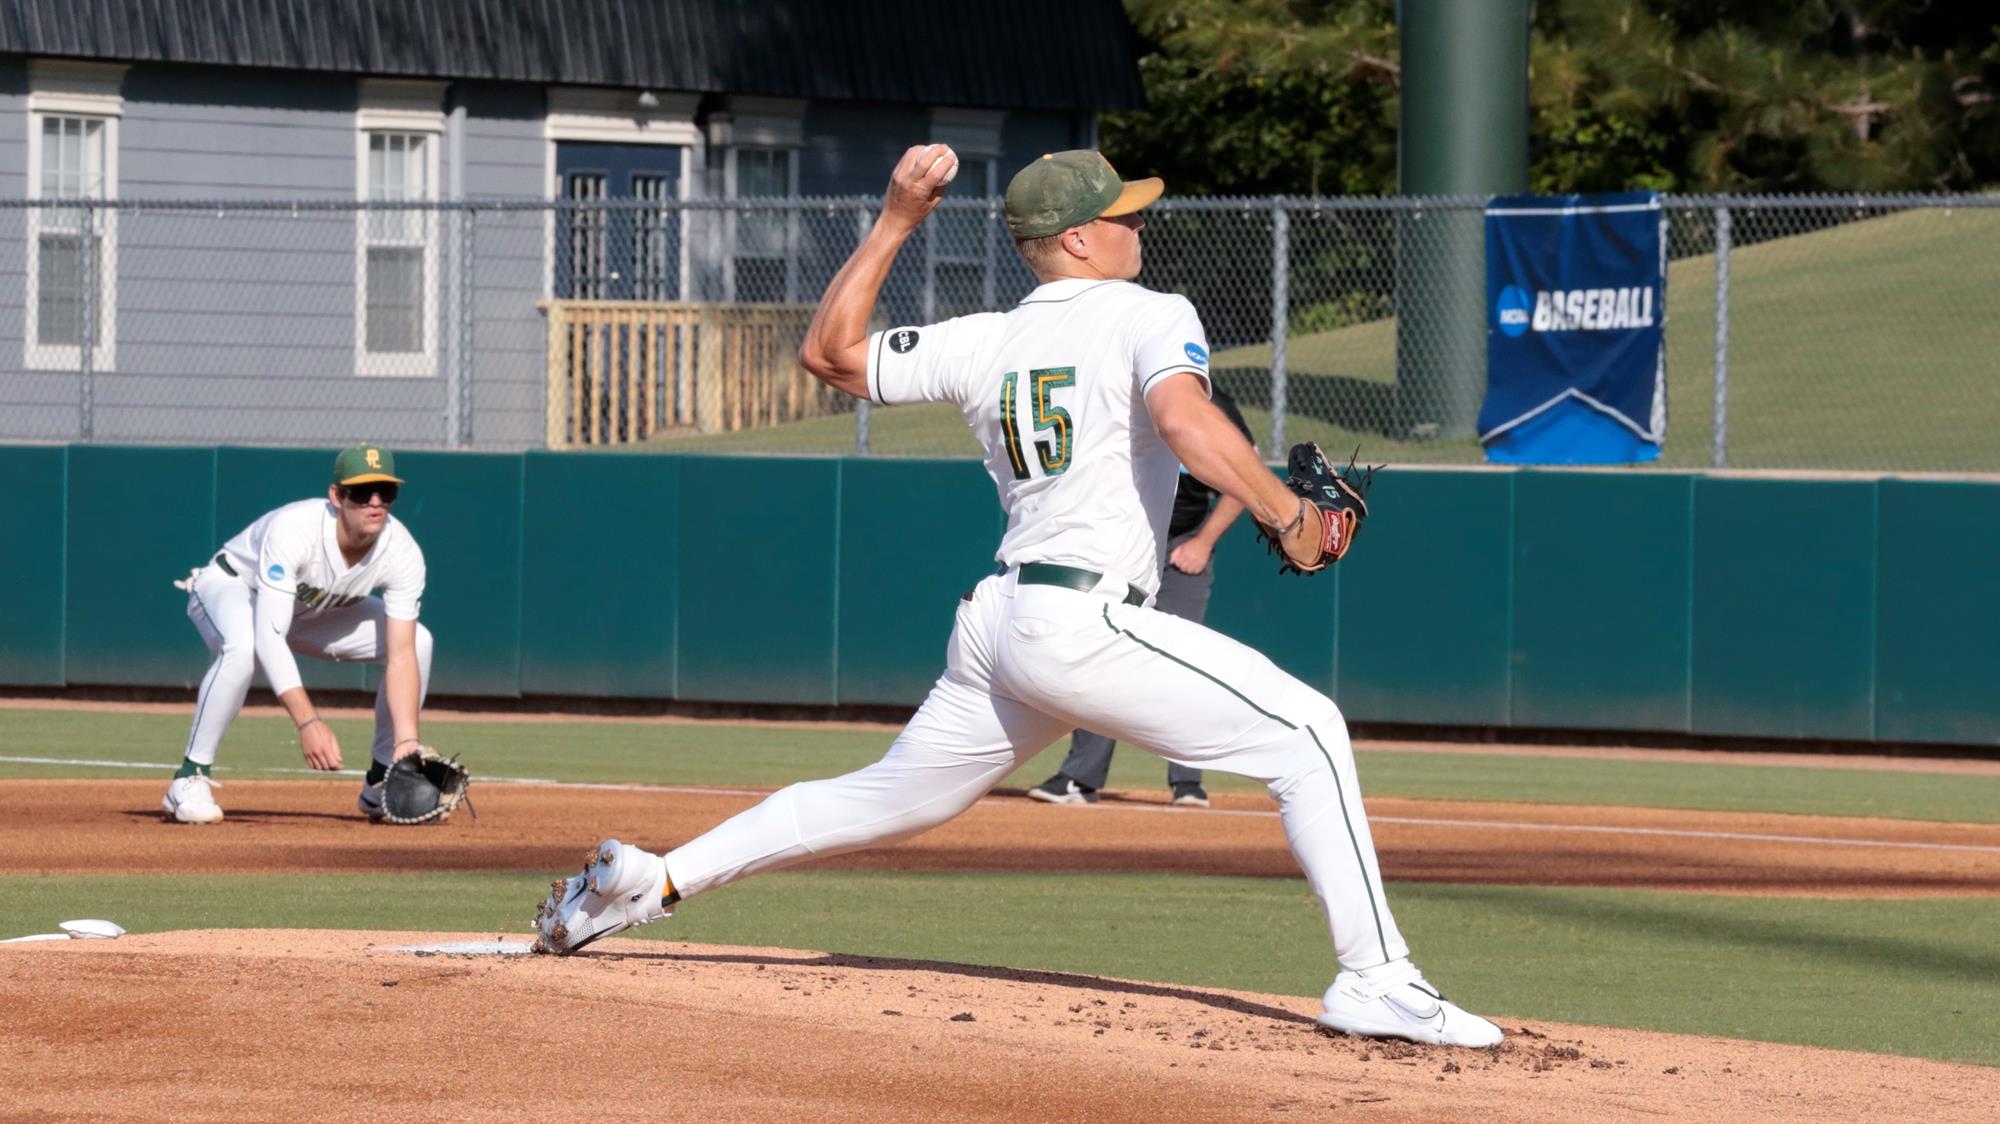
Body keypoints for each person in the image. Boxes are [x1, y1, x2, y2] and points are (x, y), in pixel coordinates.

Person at [532, 146, 1503, 1048]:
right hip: (1079, 621)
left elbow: (830, 355)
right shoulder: (1149, 310)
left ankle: (649, 880)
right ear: (1077, 237)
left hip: (1000, 622)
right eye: (1123, 215)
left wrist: (894, 219)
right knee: (1309, 733)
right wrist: (1287, 513)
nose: (1139, 227)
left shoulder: (984, 338)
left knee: (879, 797)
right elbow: (1181, 415)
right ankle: (1374, 974)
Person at [163, 444, 434, 825]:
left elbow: (403, 654)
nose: (374, 501)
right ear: (336, 496)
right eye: (361, 492)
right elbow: (270, 636)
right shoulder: (296, 530)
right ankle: (190, 777)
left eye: (385, 492)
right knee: (244, 648)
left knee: (420, 641)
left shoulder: (402, 551)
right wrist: (308, 722)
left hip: (310, 612)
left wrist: (408, 739)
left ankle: (380, 783)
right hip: (235, 588)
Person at [1027, 385, 1254, 809]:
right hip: (1118, 546)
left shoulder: (1209, 402)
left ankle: (1188, 782)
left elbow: (1246, 472)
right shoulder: (1116, 390)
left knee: (1184, 663)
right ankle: (1079, 779)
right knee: (1100, 658)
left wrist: (1203, 542)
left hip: (1180, 546)